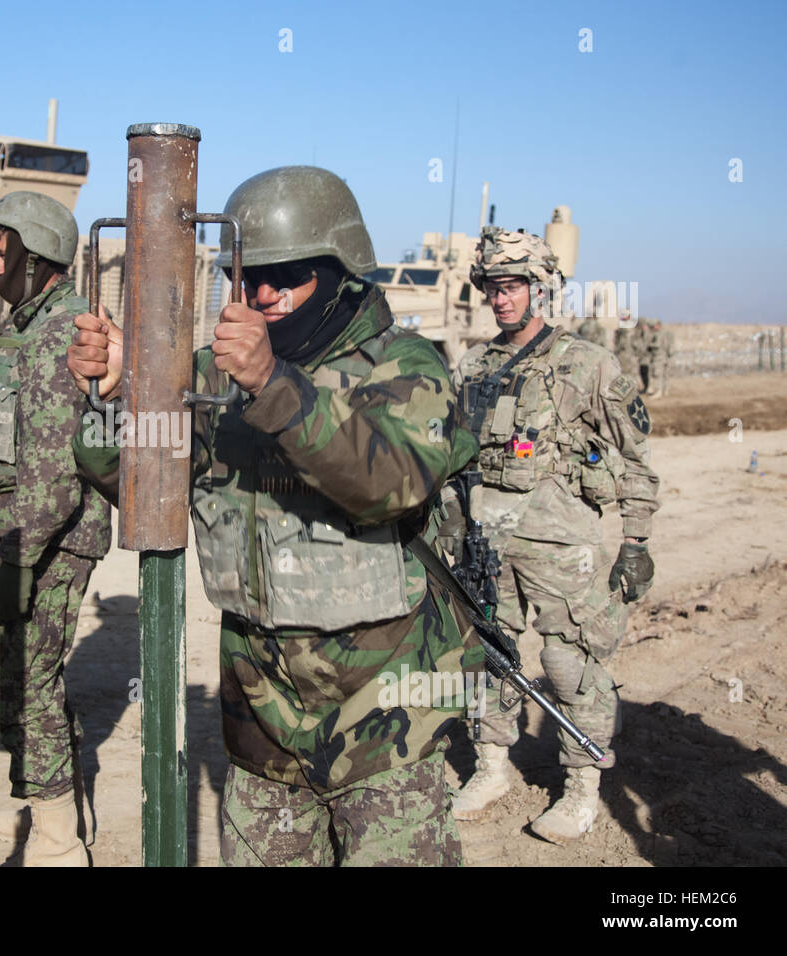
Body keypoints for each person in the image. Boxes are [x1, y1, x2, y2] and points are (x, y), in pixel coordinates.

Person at [68, 166, 483, 866]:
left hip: (387, 726)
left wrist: (273, 386)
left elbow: (391, 481)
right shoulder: (211, 377)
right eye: (249, 277)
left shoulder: (404, 367)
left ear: (340, 270)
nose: (263, 295)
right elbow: (139, 488)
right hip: (262, 727)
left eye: (286, 276)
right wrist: (112, 399)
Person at [447, 227, 660, 844]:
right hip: (486, 545)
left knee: (570, 663)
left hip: (562, 548)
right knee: (488, 657)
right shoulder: (475, 364)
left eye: (512, 286)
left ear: (542, 291)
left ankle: (581, 789)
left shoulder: (590, 365)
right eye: (492, 287)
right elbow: (452, 456)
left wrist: (637, 543)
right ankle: (490, 768)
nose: (500, 299)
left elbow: (637, 458)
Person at [0, 191, 111, 866]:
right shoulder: (28, 324)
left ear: (36, 254)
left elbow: (54, 466)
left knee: (25, 684)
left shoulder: (58, 328)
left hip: (50, 534)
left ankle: (57, 841)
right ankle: (54, 808)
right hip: (29, 533)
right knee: (22, 683)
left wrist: (20, 560)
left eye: (1, 250)